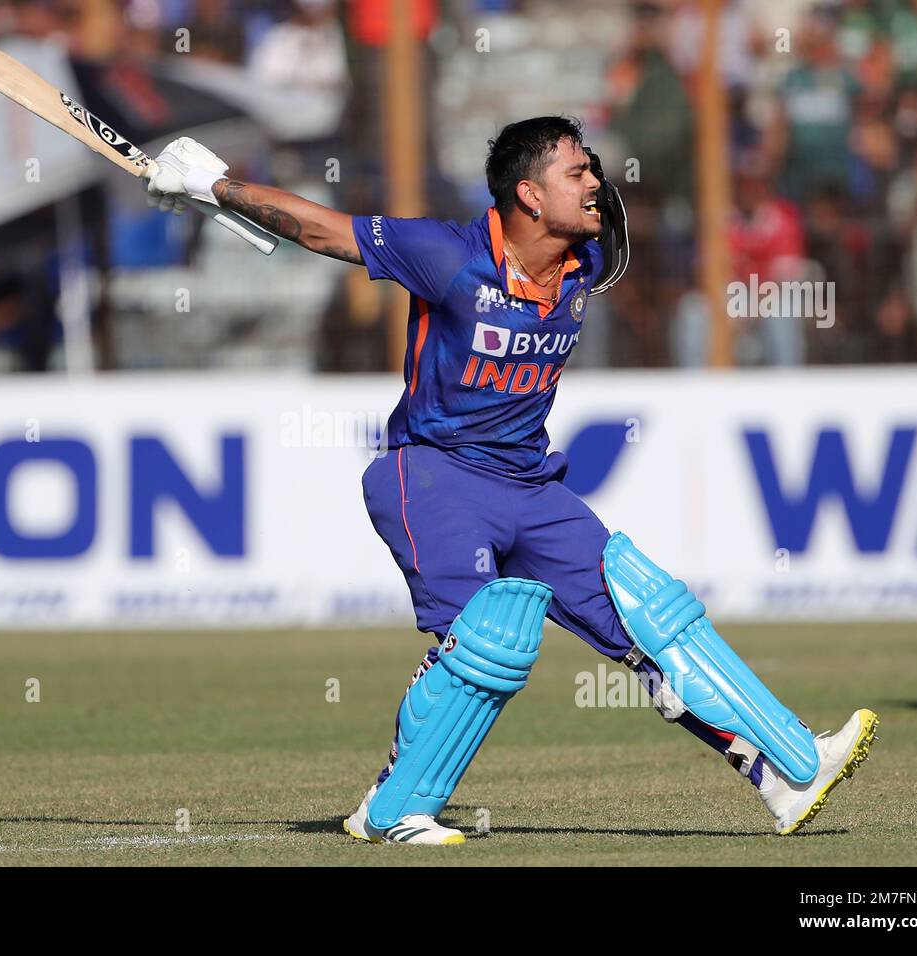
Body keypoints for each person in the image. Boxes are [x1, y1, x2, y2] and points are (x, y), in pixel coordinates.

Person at [144, 116, 879, 843]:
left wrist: (591, 199)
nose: (597, 183)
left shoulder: (588, 263)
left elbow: (607, 227)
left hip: (531, 486)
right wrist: (213, 185)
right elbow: (321, 231)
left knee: (652, 614)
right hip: (432, 474)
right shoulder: (446, 255)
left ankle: (788, 767)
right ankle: (394, 810)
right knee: (489, 639)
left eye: (594, 169)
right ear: (528, 194)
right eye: (577, 172)